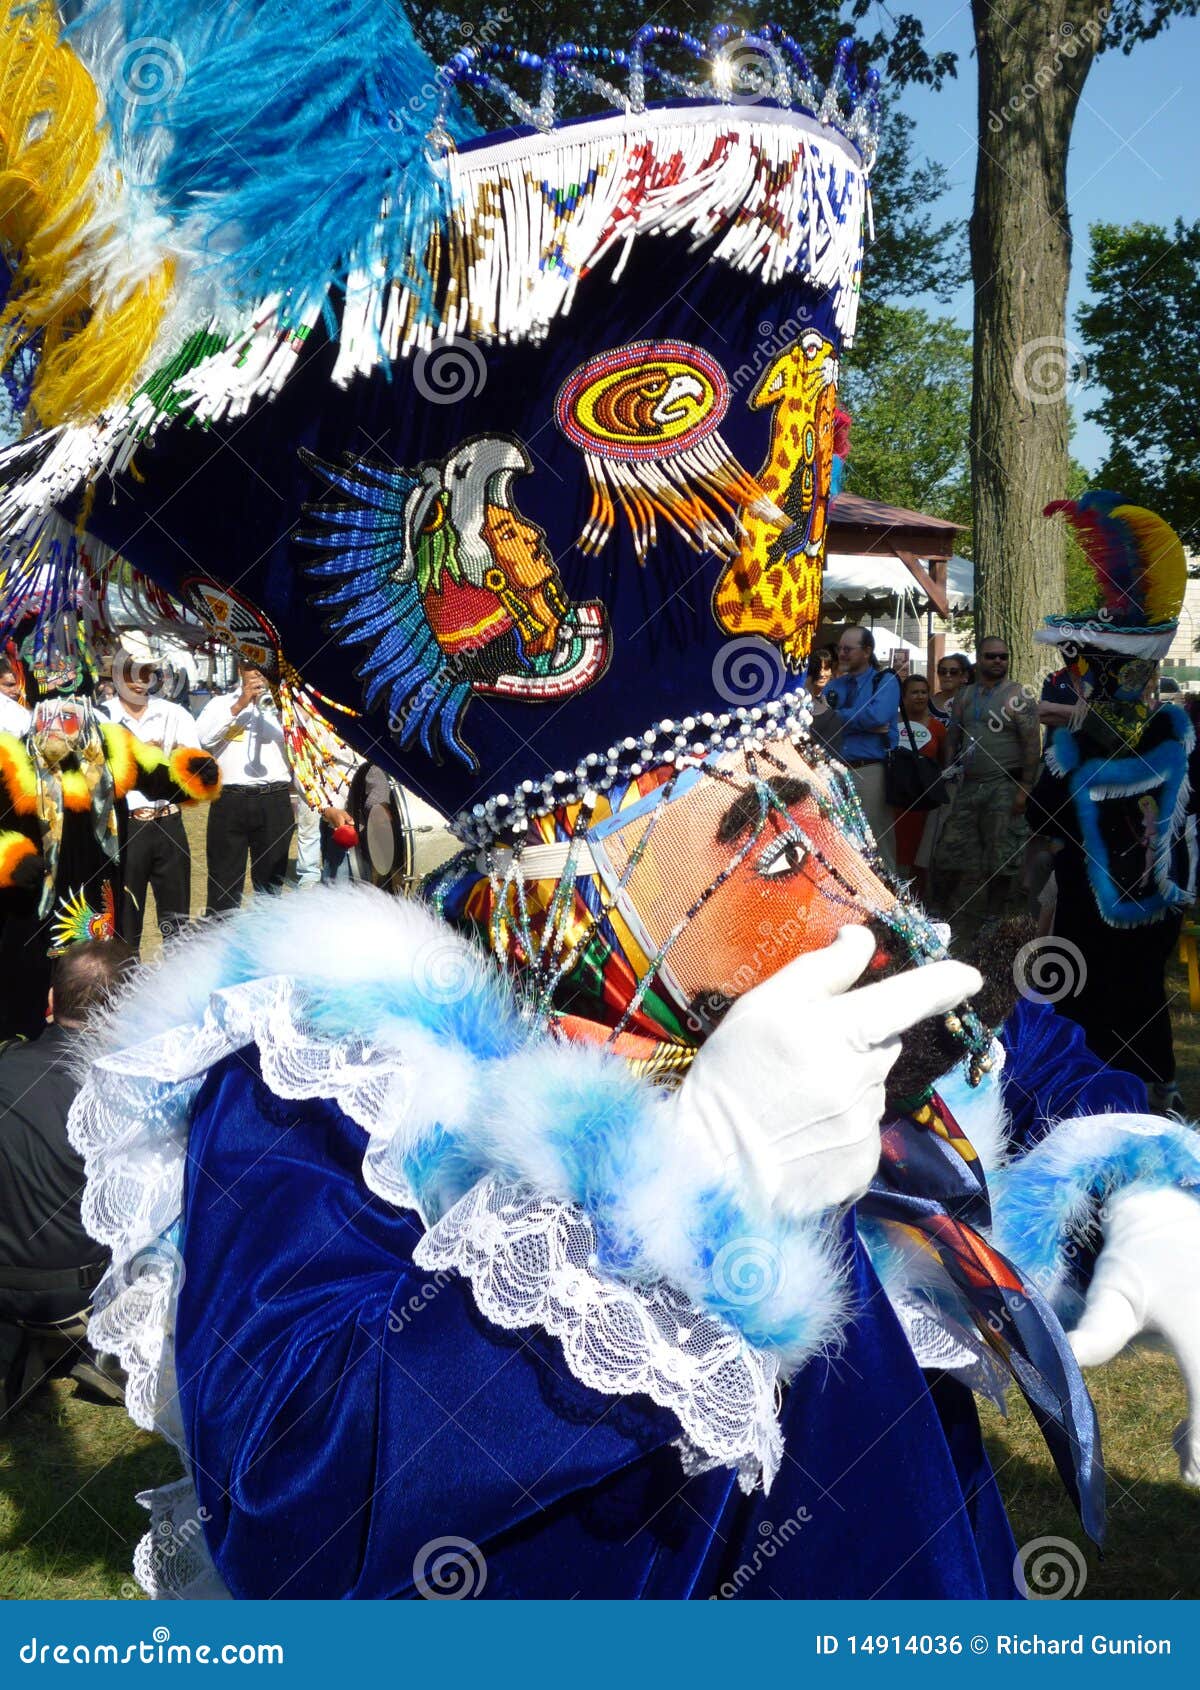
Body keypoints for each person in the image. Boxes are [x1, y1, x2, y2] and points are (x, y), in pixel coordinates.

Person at [10, 7, 1200, 1609]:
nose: (850, 877)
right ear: (586, 879)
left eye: (822, 808)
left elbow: (1025, 1071)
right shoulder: (329, 1084)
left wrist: (1143, 1183)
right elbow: (309, 1501)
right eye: (762, 829)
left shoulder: (841, 996)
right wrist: (683, 1205)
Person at [1029, 494, 1194, 1114]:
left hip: (1096, 903)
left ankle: (1096, 1102)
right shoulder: (1174, 731)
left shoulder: (1075, 745)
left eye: (1079, 671)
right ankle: (1154, 1089)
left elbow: (1041, 814)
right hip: (1149, 901)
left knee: (1092, 1000)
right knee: (1139, 994)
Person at [0, 696, 220, 1040]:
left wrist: (194, 774)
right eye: (49, 715)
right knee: (29, 989)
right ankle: (24, 1054)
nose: (57, 724)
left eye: (69, 714)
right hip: (33, 904)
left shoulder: (114, 750)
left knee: (96, 979)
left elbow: (161, 778)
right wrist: (11, 860)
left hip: (96, 896)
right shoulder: (11, 760)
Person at [0, 938, 136, 1419]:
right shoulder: (126, 1093)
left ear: (51, 1002)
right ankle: (109, 1350)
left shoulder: (5, 1066)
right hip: (80, 1295)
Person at [930, 636, 1040, 944]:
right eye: (991, 656)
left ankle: (993, 917)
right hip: (969, 785)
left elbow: (1032, 745)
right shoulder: (965, 695)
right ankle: (938, 913)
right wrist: (949, 767)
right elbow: (953, 734)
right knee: (948, 848)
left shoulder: (1018, 696)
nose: (998, 661)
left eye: (1003, 657)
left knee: (1000, 854)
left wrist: (1025, 788)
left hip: (1005, 785)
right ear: (979, 659)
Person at [101, 637, 202, 946]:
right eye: (132, 672)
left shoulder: (176, 714)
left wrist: (169, 761)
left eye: (146, 673)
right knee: (126, 923)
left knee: (177, 922)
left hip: (169, 823)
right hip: (125, 827)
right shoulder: (100, 718)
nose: (140, 681)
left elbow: (196, 774)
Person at [196, 663, 296, 914]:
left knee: (270, 889)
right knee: (223, 886)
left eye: (264, 665)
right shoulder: (220, 704)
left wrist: (281, 708)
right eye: (251, 664)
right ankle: (220, 944)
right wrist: (240, 704)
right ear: (240, 668)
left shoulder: (286, 705)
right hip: (230, 801)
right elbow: (203, 740)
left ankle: (265, 946)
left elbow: (299, 746)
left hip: (274, 800)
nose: (257, 671)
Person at [822, 625, 900, 867]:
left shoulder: (885, 681)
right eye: (839, 648)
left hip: (868, 770)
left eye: (848, 649)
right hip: (833, 771)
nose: (842, 654)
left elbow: (877, 717)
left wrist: (838, 717)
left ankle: (890, 897)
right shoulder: (834, 686)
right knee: (836, 838)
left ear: (867, 651)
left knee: (875, 837)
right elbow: (821, 720)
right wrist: (856, 719)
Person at [892, 672, 945, 890]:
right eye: (914, 692)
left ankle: (919, 897)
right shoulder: (891, 725)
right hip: (895, 798)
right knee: (895, 848)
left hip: (925, 800)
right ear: (903, 697)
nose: (920, 697)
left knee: (921, 851)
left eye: (924, 692)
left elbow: (944, 761)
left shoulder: (938, 729)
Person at [930, 650, 973, 720]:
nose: (947, 675)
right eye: (943, 671)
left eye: (953, 672)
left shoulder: (973, 704)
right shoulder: (925, 704)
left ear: (965, 676)